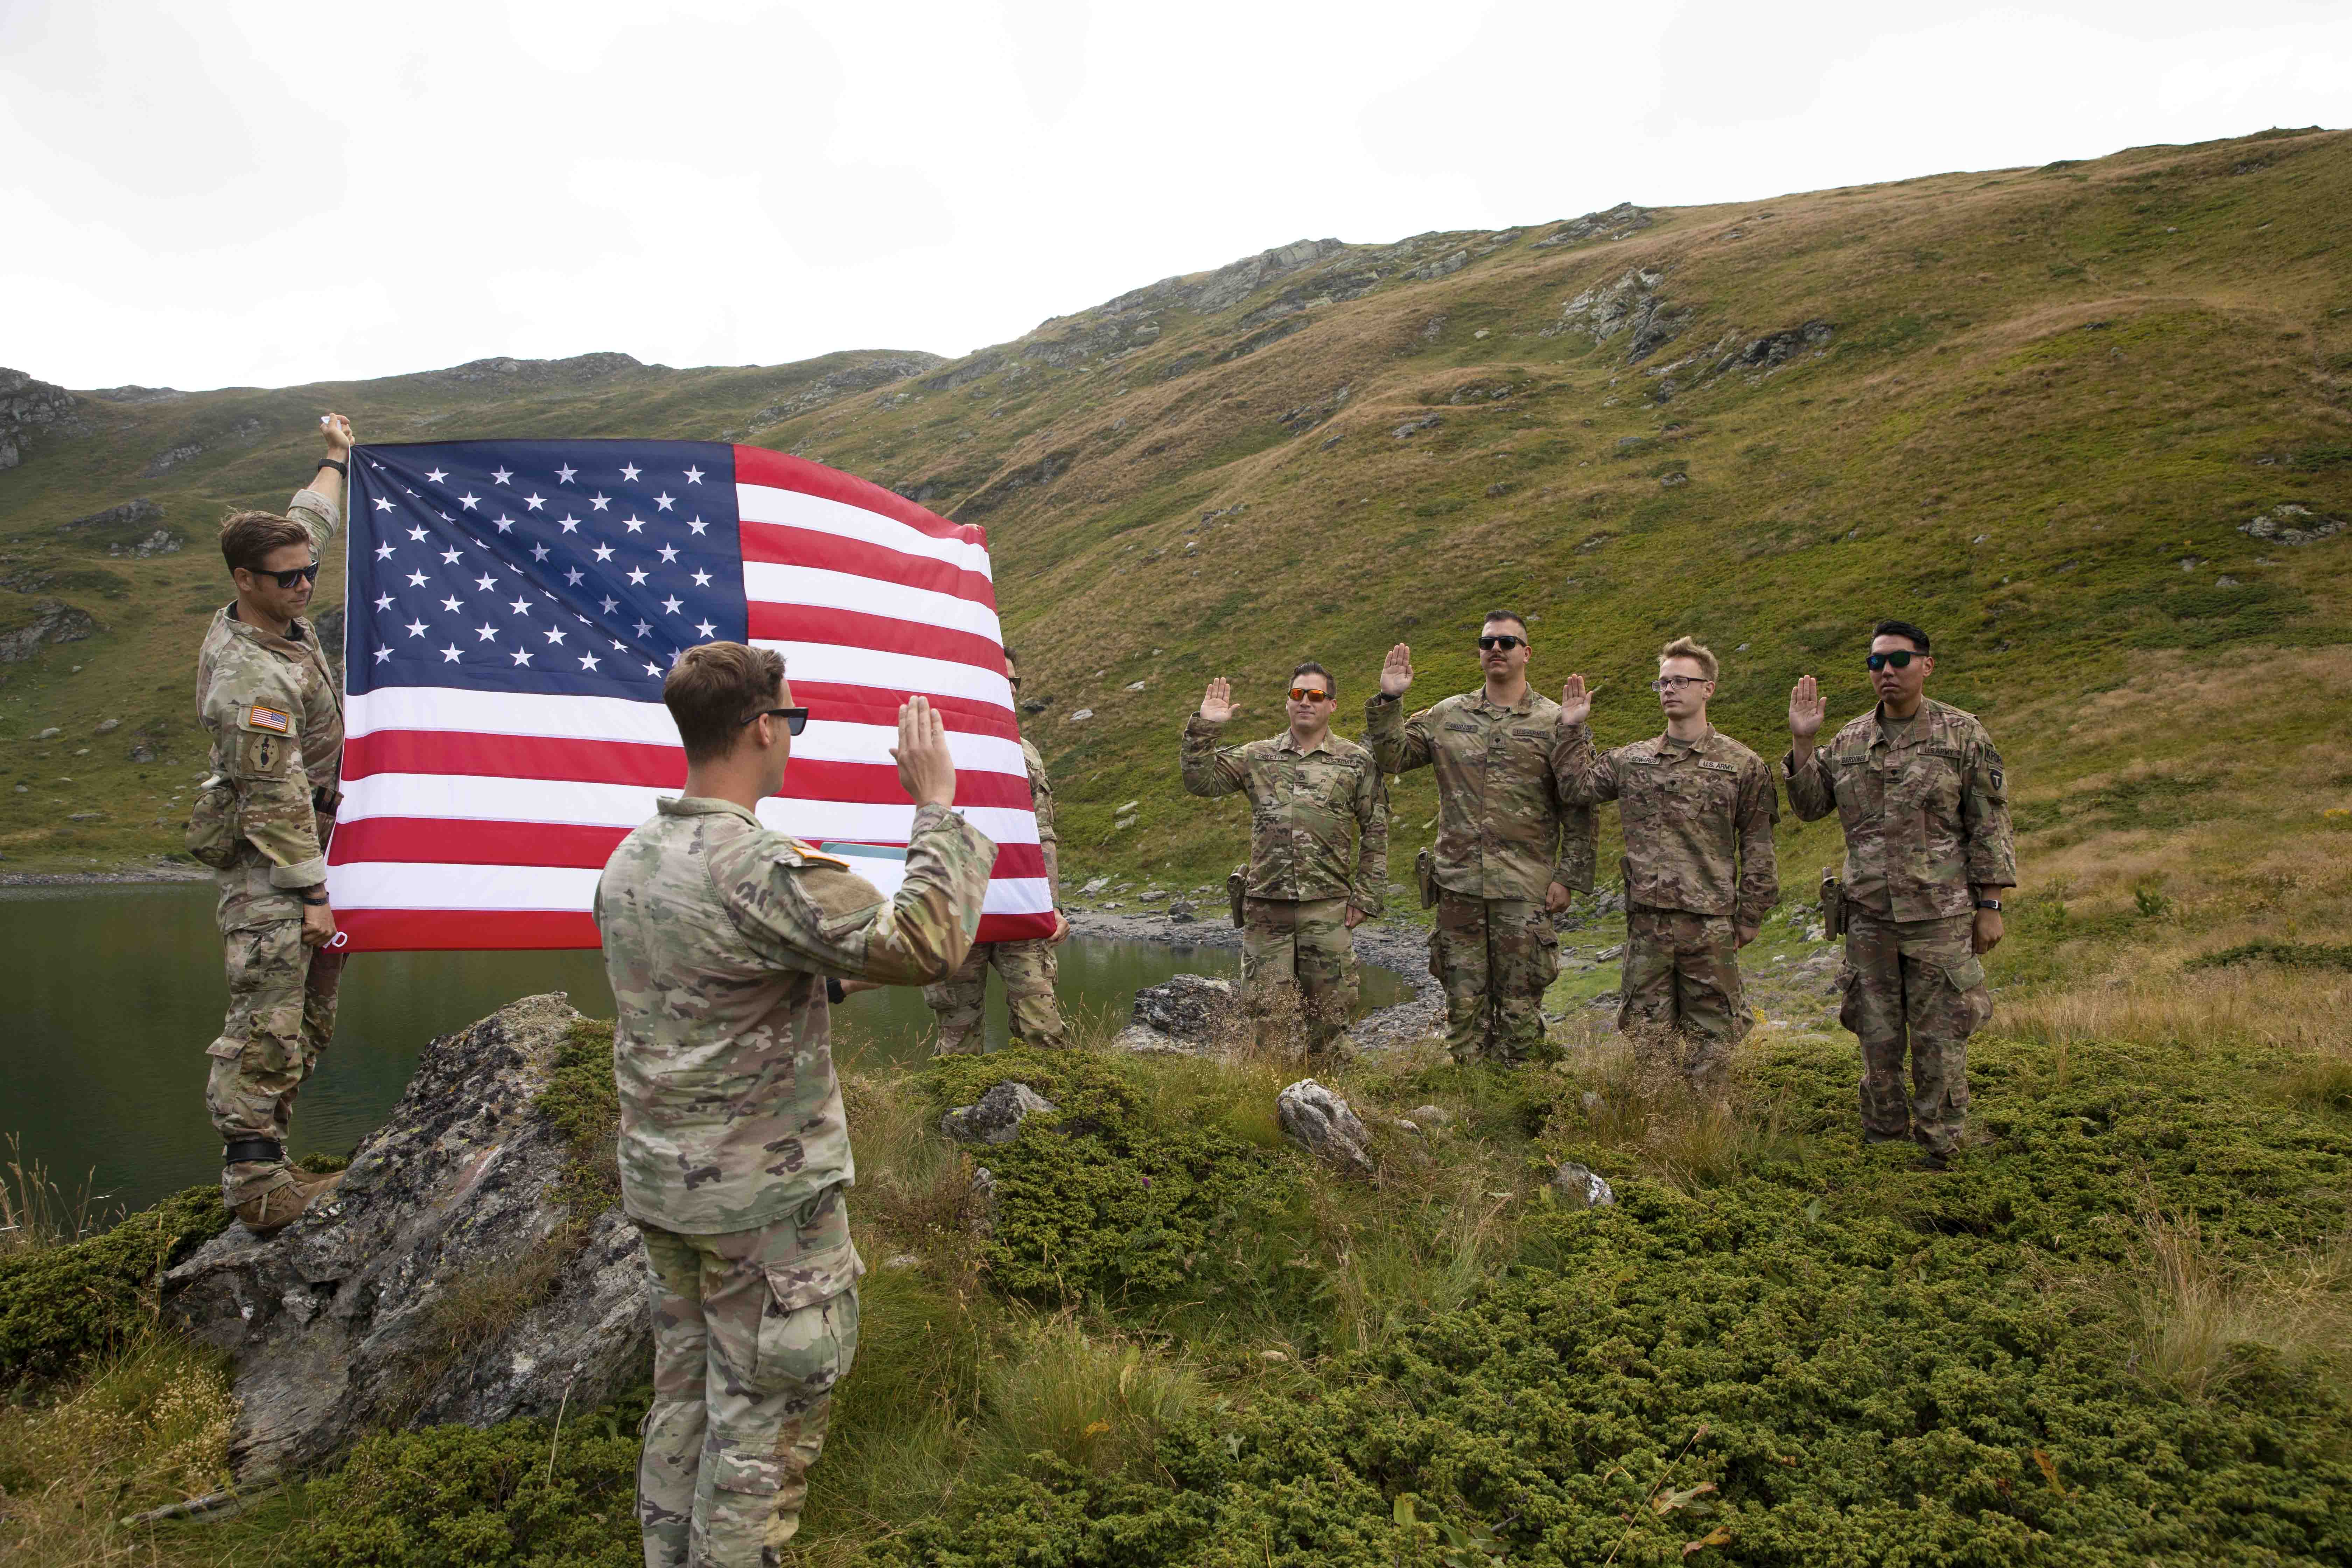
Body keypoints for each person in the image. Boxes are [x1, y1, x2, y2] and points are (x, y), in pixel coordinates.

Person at [593, 643, 994, 1565]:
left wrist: (829, 976)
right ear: (763, 729)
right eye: (795, 721)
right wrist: (934, 803)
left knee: (687, 1405)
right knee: (761, 1435)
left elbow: (711, 985)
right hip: (763, 1212)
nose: (794, 737)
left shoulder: (633, 857)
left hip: (668, 1192)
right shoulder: (758, 866)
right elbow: (929, 943)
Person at [192, 413, 354, 1234]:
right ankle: (256, 1191)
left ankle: (278, 1161)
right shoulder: (248, 677)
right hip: (274, 861)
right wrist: (313, 891)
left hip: (312, 844)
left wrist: (335, 459)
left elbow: (313, 515)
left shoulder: (283, 610)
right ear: (244, 579)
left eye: (309, 574)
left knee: (310, 1006)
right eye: (287, 578)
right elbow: (273, 798)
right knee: (267, 1016)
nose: (304, 587)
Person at [1785, 619, 2015, 1167]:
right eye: (1876, 663)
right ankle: (1885, 1151)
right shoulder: (1849, 740)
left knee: (1942, 1044)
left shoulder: (1962, 735)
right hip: (1869, 921)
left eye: (1899, 660)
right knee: (1876, 1041)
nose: (1887, 671)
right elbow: (1811, 806)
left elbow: (1990, 825)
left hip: (1940, 920)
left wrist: (1991, 906)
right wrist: (1802, 740)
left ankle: (1942, 1151)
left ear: (1926, 665)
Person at [1366, 612, 1596, 1062]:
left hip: (1524, 888)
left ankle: (1521, 1105)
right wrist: (1389, 700)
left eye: (1508, 642)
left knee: (1520, 1007)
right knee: (1462, 1005)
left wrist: (1568, 877)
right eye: (1487, 642)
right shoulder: (1448, 715)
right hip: (1458, 887)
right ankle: (1469, 1105)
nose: (1496, 649)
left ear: (1526, 653)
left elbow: (1580, 805)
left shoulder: (1557, 721)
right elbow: (1393, 757)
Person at [1557, 637, 1778, 1102]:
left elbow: (1758, 845)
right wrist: (1574, 728)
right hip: (1648, 929)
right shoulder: (1631, 760)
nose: (1669, 689)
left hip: (1711, 929)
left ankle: (1708, 1138)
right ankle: (1657, 1141)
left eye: (1681, 680)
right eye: (1662, 681)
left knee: (1714, 1045)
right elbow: (1576, 788)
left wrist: (1751, 915)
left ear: (1708, 689)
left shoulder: (1742, 765)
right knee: (1648, 1044)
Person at [1180, 662, 1387, 1054]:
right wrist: (1206, 727)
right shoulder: (1257, 755)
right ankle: (1266, 1105)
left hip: (1328, 909)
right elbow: (1199, 780)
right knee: (1264, 1020)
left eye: (1315, 695)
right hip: (1266, 911)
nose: (1305, 701)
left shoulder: (1356, 761)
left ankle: (1329, 1106)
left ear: (1332, 705)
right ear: (1288, 702)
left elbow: (1375, 829)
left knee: (1329, 1020)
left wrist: (1367, 897)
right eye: (1297, 695)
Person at [924, 645, 1070, 1054]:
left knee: (1042, 1027)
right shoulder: (940, 748)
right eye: (997, 678)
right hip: (957, 912)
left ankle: (1052, 1112)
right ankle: (953, 1115)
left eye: (1013, 680)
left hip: (1021, 908)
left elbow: (1043, 834)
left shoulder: (1026, 753)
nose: (1008, 687)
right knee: (958, 1038)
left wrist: (1053, 906)